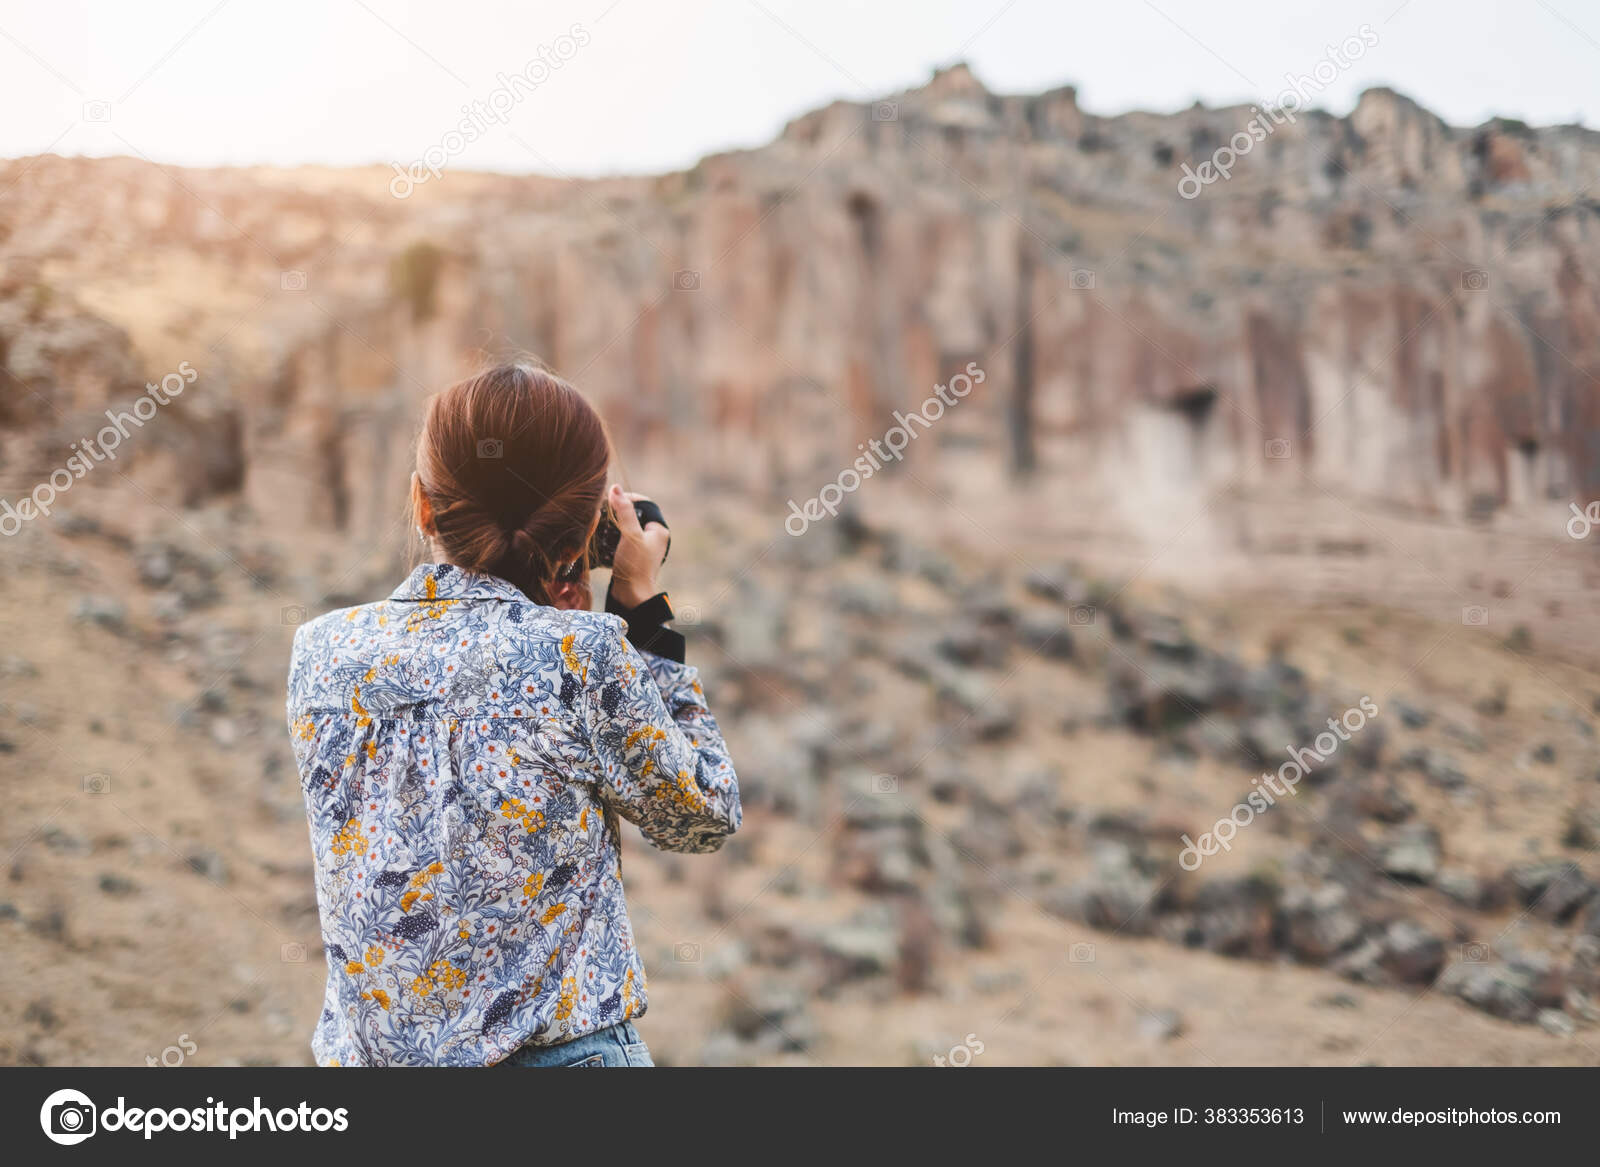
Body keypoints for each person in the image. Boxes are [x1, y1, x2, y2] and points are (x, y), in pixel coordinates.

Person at [284, 361, 741, 1066]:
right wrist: (642, 608)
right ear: (587, 526)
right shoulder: (583, 656)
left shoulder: (320, 653)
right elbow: (703, 812)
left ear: (422, 504)